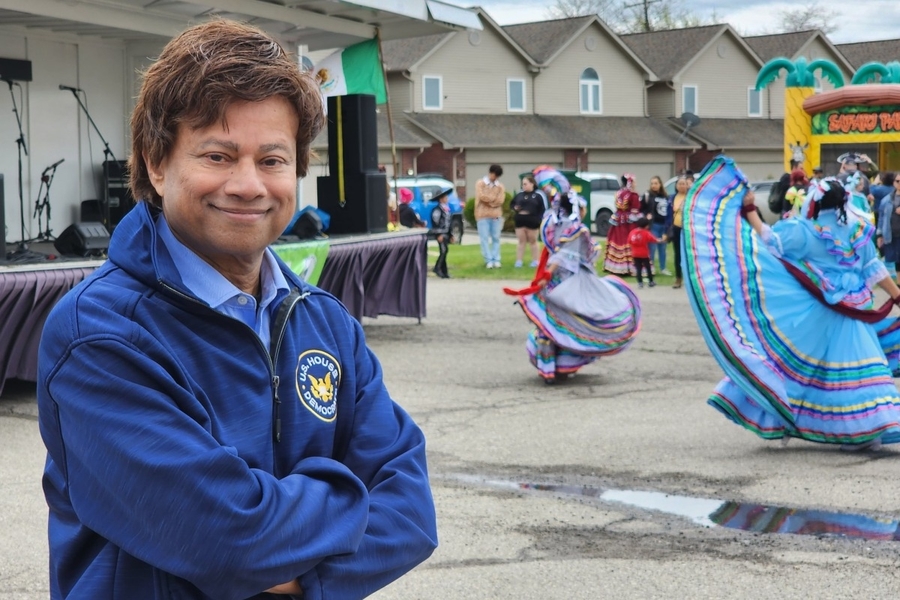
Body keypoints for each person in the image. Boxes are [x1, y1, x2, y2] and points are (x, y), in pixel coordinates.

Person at [37, 20, 437, 600]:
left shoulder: (323, 321)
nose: (249, 185)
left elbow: (411, 512)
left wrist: (293, 571)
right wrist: (350, 499)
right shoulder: (98, 336)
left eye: (272, 159)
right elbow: (226, 538)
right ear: (155, 163)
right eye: (218, 155)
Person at [683, 155, 900, 452]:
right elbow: (874, 269)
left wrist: (750, 211)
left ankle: (785, 420)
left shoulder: (803, 230)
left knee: (795, 365)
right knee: (861, 368)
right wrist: (898, 296)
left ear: (814, 202)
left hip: (817, 310)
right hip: (854, 312)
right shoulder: (857, 230)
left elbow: (770, 240)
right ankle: (866, 428)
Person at [503, 167, 641, 384]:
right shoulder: (570, 226)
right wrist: (548, 273)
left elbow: (564, 253)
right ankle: (559, 367)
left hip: (558, 281)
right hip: (565, 282)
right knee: (564, 321)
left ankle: (550, 367)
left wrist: (546, 275)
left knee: (551, 322)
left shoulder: (558, 223)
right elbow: (566, 254)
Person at [603, 173, 641, 275]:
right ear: (630, 182)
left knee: (618, 241)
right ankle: (629, 267)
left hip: (618, 220)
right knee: (629, 242)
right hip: (628, 222)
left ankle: (616, 266)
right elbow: (635, 210)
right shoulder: (633, 195)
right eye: (634, 181)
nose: (635, 184)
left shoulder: (619, 193)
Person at [510, 173, 546, 268]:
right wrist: (515, 208)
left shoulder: (538, 195)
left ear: (532, 184)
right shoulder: (519, 194)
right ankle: (519, 261)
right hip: (520, 220)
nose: (524, 186)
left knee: (533, 241)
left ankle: (535, 260)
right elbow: (512, 204)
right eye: (523, 184)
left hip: (532, 220)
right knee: (521, 241)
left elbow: (542, 209)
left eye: (525, 184)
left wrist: (539, 219)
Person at [475, 163, 505, 268]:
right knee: (484, 238)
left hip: (496, 215)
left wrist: (491, 201)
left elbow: (501, 200)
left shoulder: (500, 186)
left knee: (496, 238)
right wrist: (493, 200)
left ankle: (496, 259)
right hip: (482, 215)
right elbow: (481, 197)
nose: (495, 178)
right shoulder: (480, 183)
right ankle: (488, 260)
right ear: (491, 173)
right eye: (494, 175)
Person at [640, 175, 670, 275]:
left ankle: (663, 268)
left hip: (664, 226)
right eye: (652, 183)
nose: (654, 185)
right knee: (651, 248)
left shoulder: (665, 196)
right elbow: (641, 208)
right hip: (653, 225)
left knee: (663, 248)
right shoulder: (648, 195)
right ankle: (650, 268)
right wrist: (646, 215)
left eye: (656, 183)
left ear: (660, 184)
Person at [664, 176, 690, 289]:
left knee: (688, 255)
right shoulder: (672, 198)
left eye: (684, 184)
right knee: (677, 255)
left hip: (687, 229)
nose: (681, 186)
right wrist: (666, 230)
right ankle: (678, 278)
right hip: (676, 228)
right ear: (676, 185)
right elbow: (668, 215)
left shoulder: (690, 198)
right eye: (679, 184)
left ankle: (690, 280)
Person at [628, 217, 663, 288]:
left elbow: (629, 241)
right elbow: (653, 239)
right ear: (646, 225)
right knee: (648, 268)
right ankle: (651, 281)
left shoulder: (632, 232)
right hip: (644, 254)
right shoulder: (646, 233)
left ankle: (640, 283)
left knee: (638, 268)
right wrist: (660, 240)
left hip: (635, 254)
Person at [430, 189, 452, 278]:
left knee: (445, 250)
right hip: (440, 233)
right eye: (445, 197)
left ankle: (444, 271)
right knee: (443, 250)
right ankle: (437, 268)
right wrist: (438, 234)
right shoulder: (437, 210)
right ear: (441, 199)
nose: (446, 198)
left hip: (446, 233)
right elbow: (436, 223)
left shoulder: (446, 209)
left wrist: (451, 235)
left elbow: (448, 223)